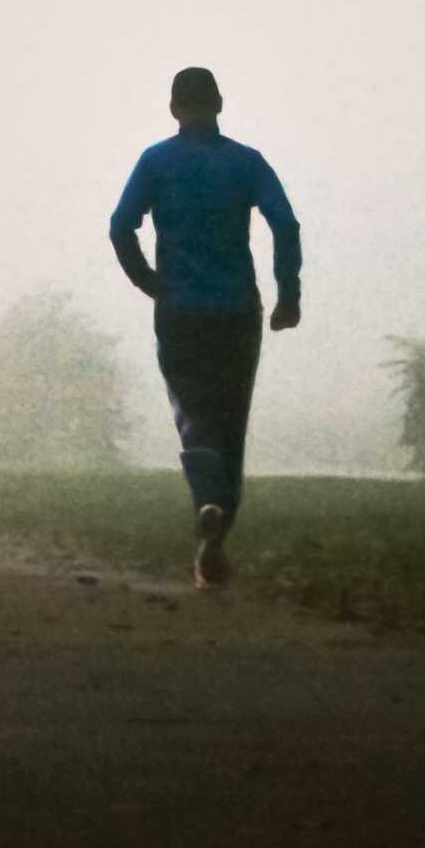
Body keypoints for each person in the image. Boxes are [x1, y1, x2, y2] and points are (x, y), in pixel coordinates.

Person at [108, 66, 301, 589]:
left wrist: (149, 281)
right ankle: (214, 537)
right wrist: (289, 294)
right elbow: (285, 223)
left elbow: (120, 225)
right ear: (219, 104)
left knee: (193, 414)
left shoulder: (155, 162)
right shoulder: (246, 162)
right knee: (230, 421)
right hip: (237, 311)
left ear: (174, 109)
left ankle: (207, 502)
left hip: (180, 311)